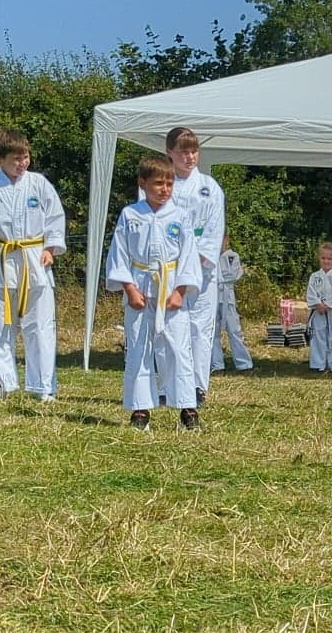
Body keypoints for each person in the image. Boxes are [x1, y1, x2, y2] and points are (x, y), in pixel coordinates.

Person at [103, 155, 204, 429]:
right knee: (138, 347)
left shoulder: (180, 216)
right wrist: (129, 288)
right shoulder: (131, 215)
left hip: (171, 288)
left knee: (178, 349)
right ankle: (140, 409)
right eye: (158, 183)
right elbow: (119, 255)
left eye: (169, 183)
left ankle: (187, 408)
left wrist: (180, 291)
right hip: (139, 285)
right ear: (143, 183)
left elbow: (189, 257)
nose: (164, 189)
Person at [0, 129, 64, 401]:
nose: (22, 163)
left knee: (40, 325)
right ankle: (0, 383)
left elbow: (55, 218)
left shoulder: (39, 184)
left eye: (25, 157)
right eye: (16, 159)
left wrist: (50, 248)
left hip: (34, 257)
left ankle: (44, 386)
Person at [157, 128, 224, 405]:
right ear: (169, 153)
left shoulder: (209, 187)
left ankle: (197, 385)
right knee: (166, 326)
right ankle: (165, 384)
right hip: (168, 265)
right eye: (183, 151)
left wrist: (194, 262)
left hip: (201, 269)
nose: (190, 156)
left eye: (194, 151)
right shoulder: (160, 185)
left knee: (200, 327)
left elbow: (214, 230)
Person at [210, 237, 254, 373]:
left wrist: (217, 278)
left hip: (227, 297)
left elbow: (234, 275)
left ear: (226, 240)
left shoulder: (232, 256)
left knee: (234, 330)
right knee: (212, 332)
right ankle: (217, 364)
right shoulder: (210, 256)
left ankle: (244, 363)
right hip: (212, 296)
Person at [305, 243, 332, 373]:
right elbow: (311, 292)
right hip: (318, 309)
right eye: (323, 258)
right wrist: (318, 304)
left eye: (330, 258)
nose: (326, 261)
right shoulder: (315, 276)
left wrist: (328, 305)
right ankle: (318, 363)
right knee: (318, 335)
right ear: (319, 259)